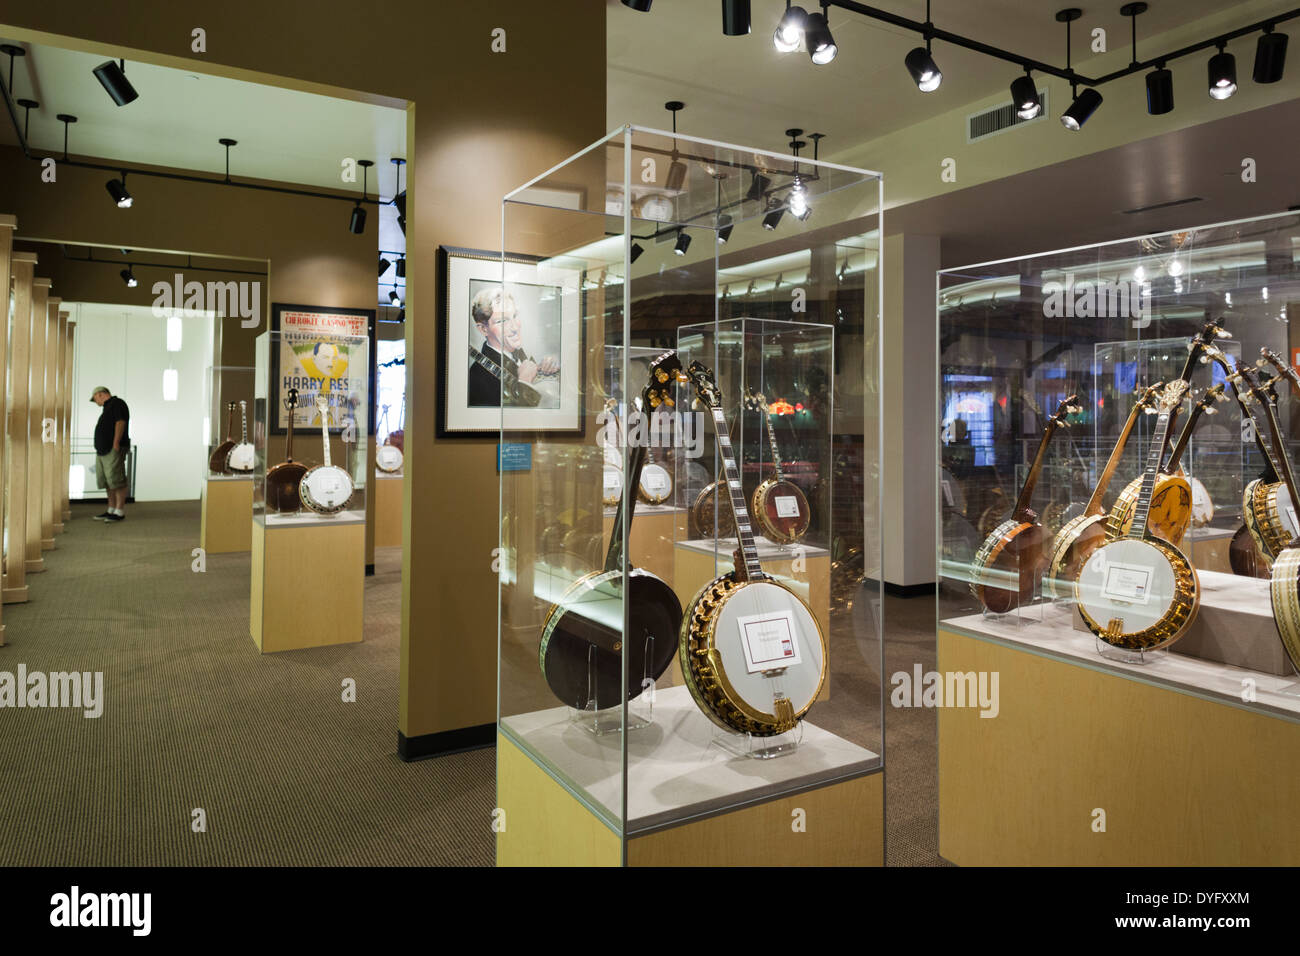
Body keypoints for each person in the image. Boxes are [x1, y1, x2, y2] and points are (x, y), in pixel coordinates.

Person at [467, 287, 558, 407]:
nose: (515, 328)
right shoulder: (477, 378)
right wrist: (524, 381)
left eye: (515, 316)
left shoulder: (518, 352)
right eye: (502, 321)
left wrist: (548, 369)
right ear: (484, 329)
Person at [90, 386, 130, 522]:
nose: (95, 402)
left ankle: (119, 511)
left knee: (116, 478)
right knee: (107, 480)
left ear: (100, 394)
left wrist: (116, 443)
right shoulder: (107, 408)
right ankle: (111, 509)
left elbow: (120, 422)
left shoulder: (117, 404)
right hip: (103, 449)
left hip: (112, 449)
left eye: (95, 399)